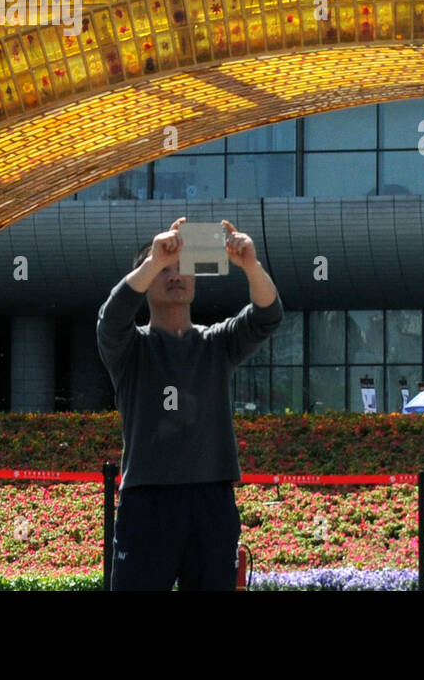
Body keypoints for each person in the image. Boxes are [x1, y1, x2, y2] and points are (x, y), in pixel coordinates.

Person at [97, 216, 282, 591]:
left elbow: (267, 316)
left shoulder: (216, 344)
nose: (175, 276)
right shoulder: (131, 349)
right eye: (165, 270)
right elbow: (110, 319)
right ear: (147, 283)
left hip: (212, 500)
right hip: (147, 501)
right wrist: (153, 259)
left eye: (182, 268)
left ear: (196, 279)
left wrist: (249, 263)